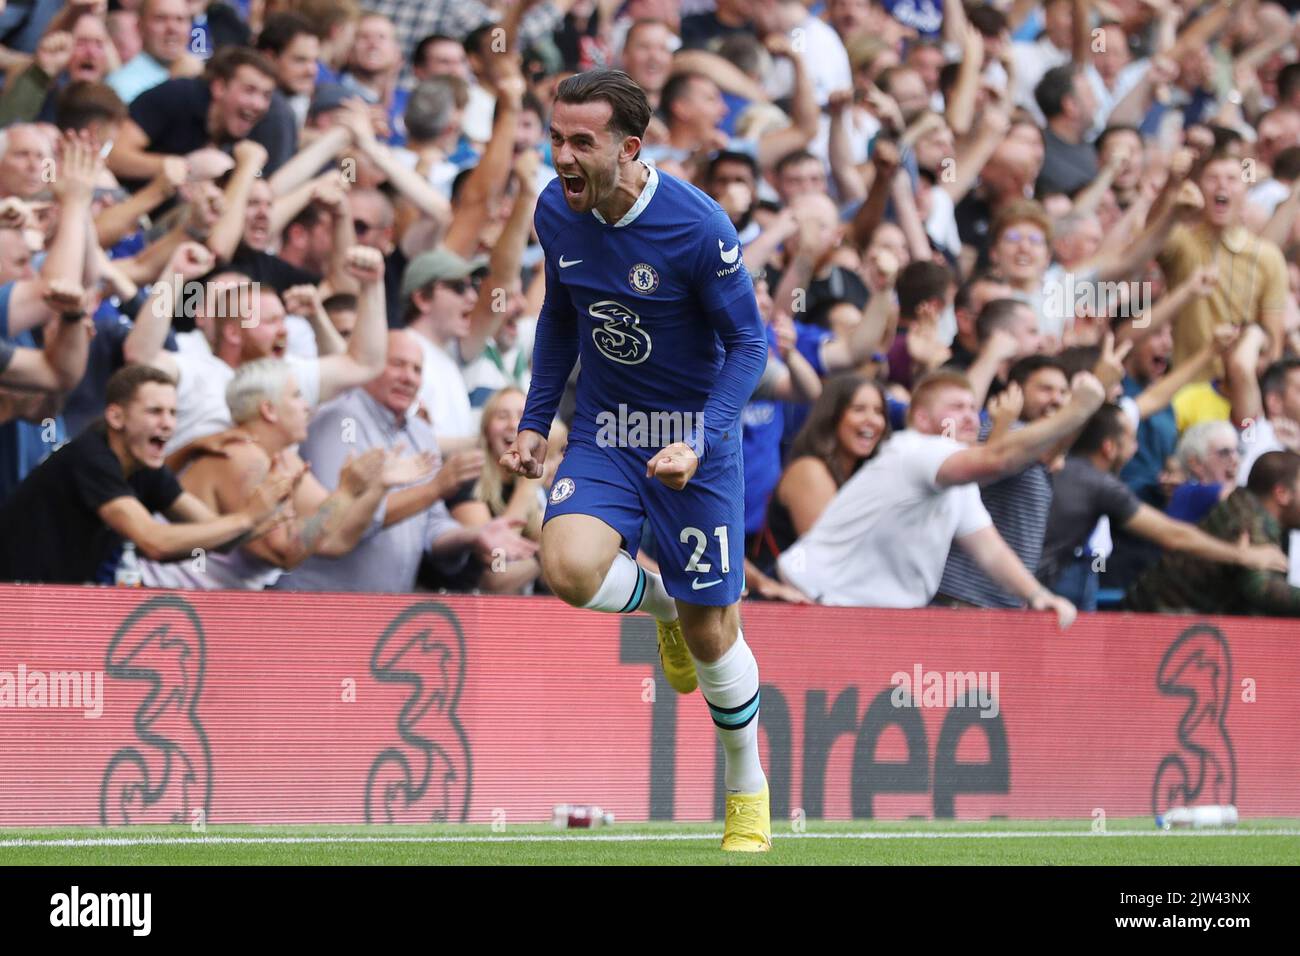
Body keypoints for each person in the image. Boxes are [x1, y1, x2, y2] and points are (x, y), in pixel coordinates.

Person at [499, 69, 771, 851]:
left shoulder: (700, 226)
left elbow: (751, 343)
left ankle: (746, 790)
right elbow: (559, 314)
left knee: (716, 633)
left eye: (580, 142)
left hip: (694, 439)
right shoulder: (557, 210)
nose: (562, 156)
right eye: (555, 137)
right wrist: (536, 418)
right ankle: (661, 612)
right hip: (609, 431)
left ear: (629, 147)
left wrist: (704, 435)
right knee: (571, 568)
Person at [777, 368, 1098, 617]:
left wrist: (1037, 594)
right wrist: (1075, 412)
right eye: (956, 407)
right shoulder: (918, 450)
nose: (970, 416)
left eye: (973, 407)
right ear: (921, 419)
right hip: (813, 601)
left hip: (864, 612)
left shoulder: (955, 477)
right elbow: (997, 458)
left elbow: (989, 550)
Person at [276, 330, 534, 592]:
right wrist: (433, 489)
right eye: (397, 364)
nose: (408, 377)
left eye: (417, 369)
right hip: (317, 609)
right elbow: (336, 526)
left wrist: (473, 535)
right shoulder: (340, 420)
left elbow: (433, 527)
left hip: (389, 615)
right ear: (372, 365)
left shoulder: (421, 434)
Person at [139, 358, 425, 589]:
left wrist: (377, 488)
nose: (307, 407)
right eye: (297, 396)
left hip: (210, 615)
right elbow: (285, 554)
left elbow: (334, 538)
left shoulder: (283, 459)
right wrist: (347, 491)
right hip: (160, 602)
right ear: (269, 410)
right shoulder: (241, 457)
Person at [0, 364, 293, 584]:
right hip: (14, 600)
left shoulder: (145, 464)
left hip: (55, 603)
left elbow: (217, 536)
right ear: (116, 417)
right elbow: (154, 542)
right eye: (155, 412)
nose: (167, 423)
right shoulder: (91, 457)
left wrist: (264, 517)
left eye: (173, 413)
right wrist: (245, 518)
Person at [1038, 402, 1288, 610]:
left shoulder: (1067, 468)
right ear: (1109, 447)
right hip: (1039, 583)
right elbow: (1173, 535)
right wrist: (1242, 555)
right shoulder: (1099, 484)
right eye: (1130, 440)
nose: (1135, 449)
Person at [1128, 451, 1300, 616]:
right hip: (1155, 622)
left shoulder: (1245, 505)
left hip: (1159, 615)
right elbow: (1260, 587)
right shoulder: (1251, 519)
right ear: (1282, 494)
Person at [753, 373, 888, 574]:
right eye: (858, 410)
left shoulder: (869, 472)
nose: (872, 420)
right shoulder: (810, 471)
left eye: (879, 411)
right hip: (784, 595)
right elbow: (830, 558)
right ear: (832, 416)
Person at [446, 386, 546, 594]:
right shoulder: (468, 479)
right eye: (502, 416)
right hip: (467, 614)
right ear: (486, 430)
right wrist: (528, 489)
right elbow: (496, 570)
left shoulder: (531, 487)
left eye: (522, 416)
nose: (513, 425)